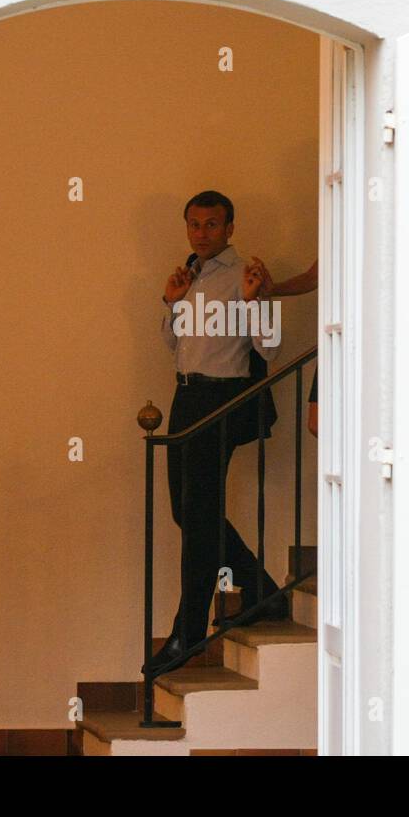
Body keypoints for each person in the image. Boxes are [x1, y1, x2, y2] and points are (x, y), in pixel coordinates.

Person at [143, 191, 289, 676]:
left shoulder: (244, 273)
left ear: (230, 228)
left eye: (212, 224)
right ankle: (263, 591)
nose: (202, 232)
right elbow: (173, 343)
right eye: (195, 224)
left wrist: (255, 300)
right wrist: (172, 301)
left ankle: (188, 632)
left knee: (199, 516)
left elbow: (269, 346)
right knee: (186, 513)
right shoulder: (190, 274)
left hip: (221, 401)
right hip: (184, 398)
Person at [246, 258, 319, 437]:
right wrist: (273, 289)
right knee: (317, 423)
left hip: (373, 336)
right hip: (339, 337)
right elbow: (313, 277)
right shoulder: (337, 233)